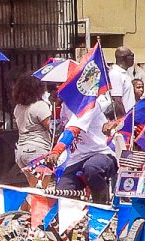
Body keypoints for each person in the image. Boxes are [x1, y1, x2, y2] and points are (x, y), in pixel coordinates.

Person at [46, 77, 117, 206]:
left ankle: (100, 206)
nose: (57, 89)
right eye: (56, 86)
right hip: (77, 158)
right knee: (62, 192)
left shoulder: (89, 104)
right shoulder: (64, 106)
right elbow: (57, 131)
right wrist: (55, 107)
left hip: (100, 153)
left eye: (61, 85)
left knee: (92, 168)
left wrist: (57, 150)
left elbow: (73, 129)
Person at [11, 73, 53, 187]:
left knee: (32, 188)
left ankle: (23, 206)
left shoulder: (18, 107)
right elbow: (52, 128)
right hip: (38, 151)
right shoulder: (40, 106)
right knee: (40, 191)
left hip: (21, 151)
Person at [109, 47, 138, 115]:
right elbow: (117, 100)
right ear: (123, 58)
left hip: (130, 116)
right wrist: (124, 119)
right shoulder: (115, 74)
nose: (133, 58)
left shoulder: (124, 73)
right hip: (123, 119)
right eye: (131, 55)